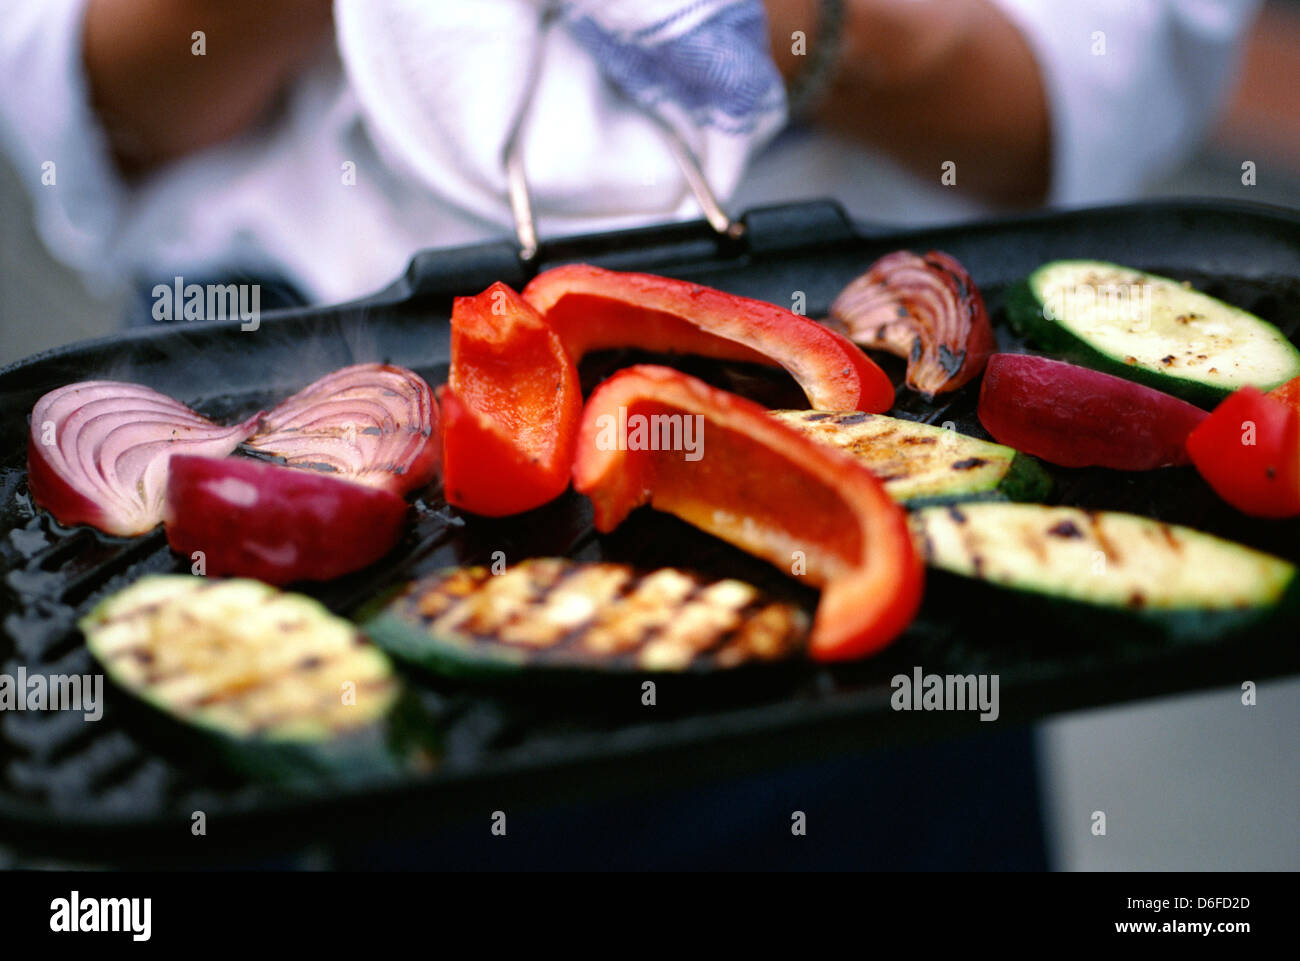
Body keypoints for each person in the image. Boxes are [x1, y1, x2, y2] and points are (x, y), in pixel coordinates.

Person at [0, 0, 1262, 310]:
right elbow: (88, 102)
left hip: (854, 353)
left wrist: (808, 29)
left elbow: (1101, 76)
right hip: (280, 379)